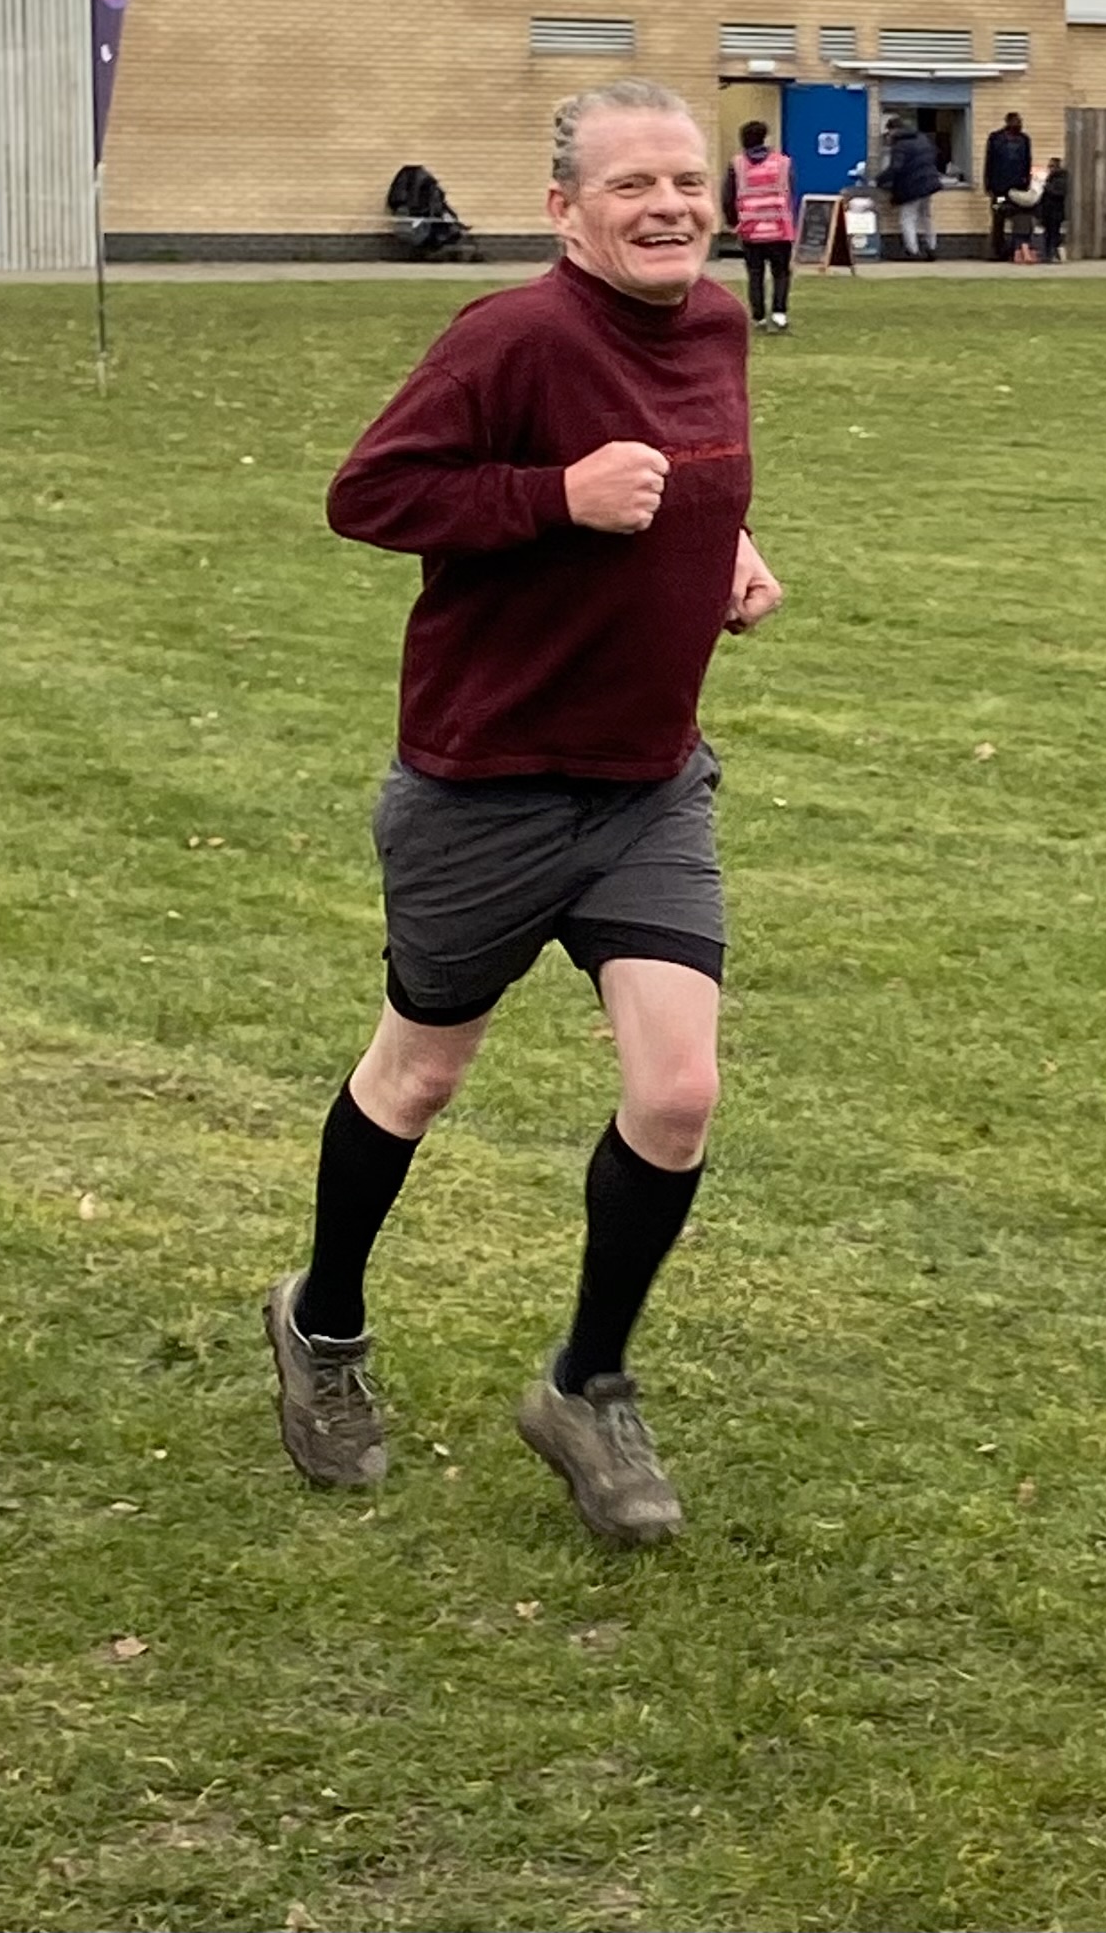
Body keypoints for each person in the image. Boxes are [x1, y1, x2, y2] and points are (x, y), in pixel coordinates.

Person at [264, 77, 784, 1548]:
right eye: (631, 186)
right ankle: (325, 1322)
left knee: (678, 1091)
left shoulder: (720, 323)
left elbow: (688, 472)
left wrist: (725, 540)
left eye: (684, 179)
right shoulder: (511, 338)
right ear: (564, 210)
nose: (669, 205)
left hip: (645, 784)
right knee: (420, 1074)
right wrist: (550, 496)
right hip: (481, 787)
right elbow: (368, 494)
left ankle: (586, 1383)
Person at [720, 118, 796, 331]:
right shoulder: (782, 162)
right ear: (765, 138)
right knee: (781, 272)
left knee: (755, 273)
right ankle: (780, 313)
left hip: (751, 229)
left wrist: (732, 222)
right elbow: (791, 190)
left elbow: (728, 196)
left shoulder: (737, 164)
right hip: (780, 229)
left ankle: (759, 316)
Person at [876, 118, 944, 260]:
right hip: (929, 183)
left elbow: (895, 168)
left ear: (893, 130)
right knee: (926, 216)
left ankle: (912, 250)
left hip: (912, 185)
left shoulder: (900, 145)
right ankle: (932, 247)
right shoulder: (922, 138)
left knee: (908, 217)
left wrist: (879, 179)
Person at [982, 110, 1033, 261]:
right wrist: (989, 184)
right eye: (1016, 121)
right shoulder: (996, 138)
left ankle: (1016, 249)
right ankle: (997, 250)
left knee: (1018, 218)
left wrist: (1026, 182)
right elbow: (989, 162)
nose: (1019, 124)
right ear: (1008, 122)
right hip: (999, 190)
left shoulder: (1024, 140)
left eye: (1020, 121)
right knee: (998, 217)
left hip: (1017, 189)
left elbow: (1027, 162)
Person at [1037, 156, 1068, 263]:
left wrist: (1046, 187)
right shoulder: (1052, 178)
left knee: (1054, 234)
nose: (1050, 168)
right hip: (1048, 211)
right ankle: (1048, 254)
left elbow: (1058, 193)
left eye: (1052, 166)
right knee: (1049, 234)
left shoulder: (1060, 178)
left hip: (1055, 211)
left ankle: (1053, 255)